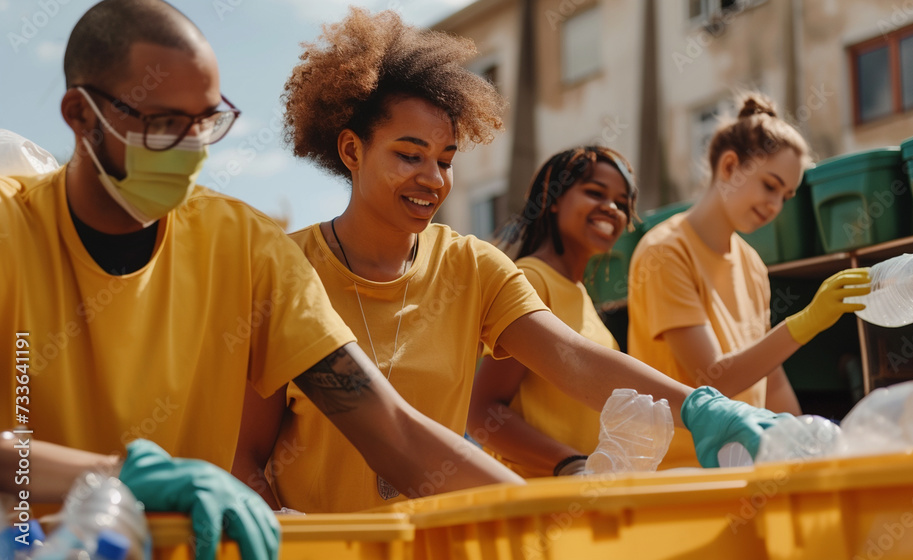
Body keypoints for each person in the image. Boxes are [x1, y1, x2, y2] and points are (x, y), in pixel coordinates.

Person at [0, 1, 522, 558]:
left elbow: (391, 431)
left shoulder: (247, 249)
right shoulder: (12, 231)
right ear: (81, 115)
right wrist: (112, 476)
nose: (192, 148)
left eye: (206, 121)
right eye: (166, 124)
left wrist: (540, 517)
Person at [239, 8, 794, 514]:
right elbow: (247, 456)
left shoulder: (472, 268)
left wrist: (703, 409)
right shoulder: (287, 270)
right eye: (409, 155)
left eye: (445, 160)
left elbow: (574, 359)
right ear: (352, 150)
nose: (433, 179)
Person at [628, 93, 871, 468]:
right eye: (770, 186)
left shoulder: (752, 264)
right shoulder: (664, 252)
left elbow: (771, 380)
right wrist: (808, 321)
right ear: (729, 166)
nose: (776, 206)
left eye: (786, 196)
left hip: (743, 468)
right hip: (680, 474)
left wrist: (803, 449)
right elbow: (713, 380)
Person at [467, 146, 637, 478]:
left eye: (622, 203)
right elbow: (482, 414)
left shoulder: (580, 293)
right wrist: (571, 464)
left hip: (584, 494)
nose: (611, 209)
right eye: (595, 193)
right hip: (537, 497)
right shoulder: (530, 280)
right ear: (554, 199)